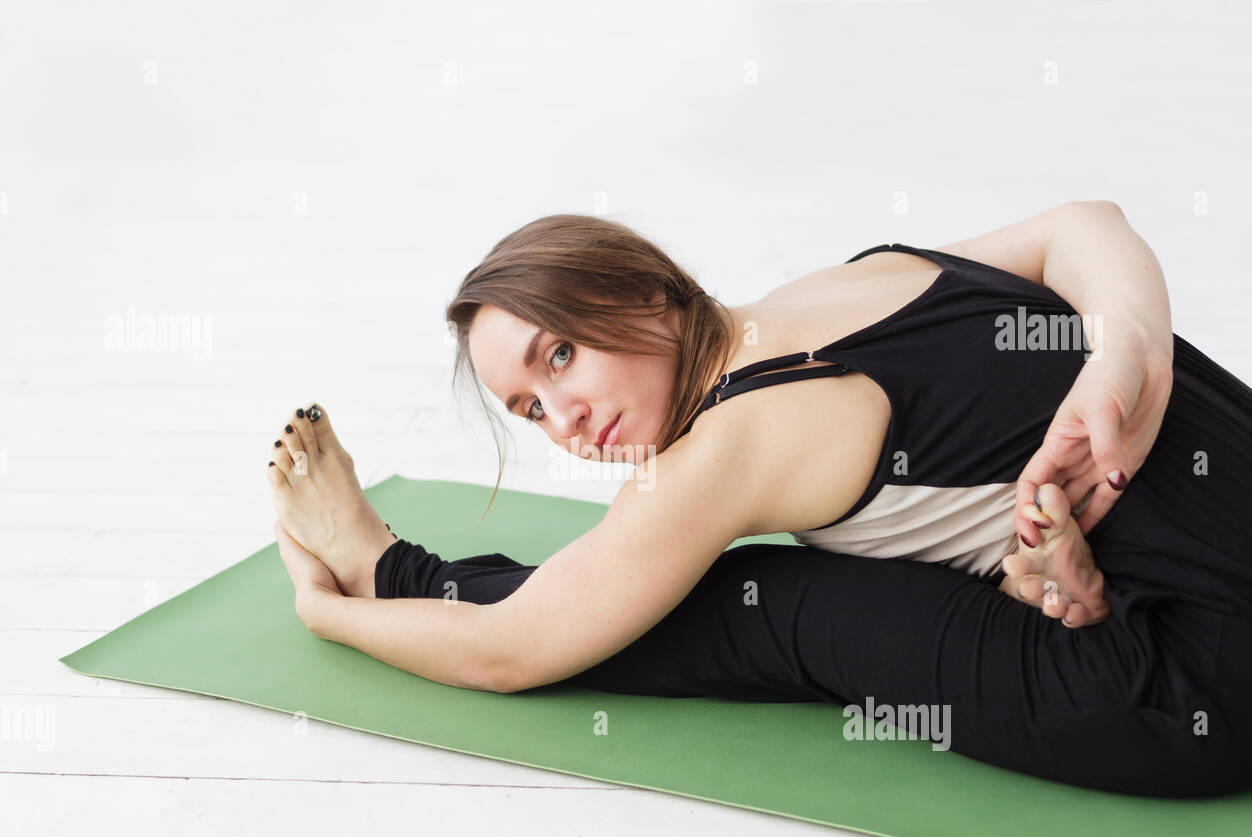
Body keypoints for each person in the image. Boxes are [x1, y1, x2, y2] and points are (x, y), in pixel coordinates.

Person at [264, 203, 1252, 797]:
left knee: (761, 604)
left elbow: (513, 649)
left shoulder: (728, 448)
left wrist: (331, 612)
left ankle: (395, 571)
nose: (561, 415)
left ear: (645, 291)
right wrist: (1128, 342)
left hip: (1194, 681)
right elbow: (1083, 224)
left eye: (559, 353)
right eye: (528, 407)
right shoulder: (854, 280)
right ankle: (1037, 580)